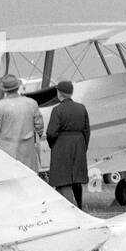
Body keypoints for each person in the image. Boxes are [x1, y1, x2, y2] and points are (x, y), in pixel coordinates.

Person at [45, 79, 91, 208]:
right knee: (76, 180)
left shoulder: (57, 110)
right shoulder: (82, 108)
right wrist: (83, 146)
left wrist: (53, 145)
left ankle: (72, 209)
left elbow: (51, 133)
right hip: (79, 144)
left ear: (59, 93)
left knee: (63, 180)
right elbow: (87, 130)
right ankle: (80, 206)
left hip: (62, 145)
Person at [0, 73, 44, 171]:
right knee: (28, 177)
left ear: (4, 89)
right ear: (17, 87)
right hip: (27, 149)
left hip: (6, 149)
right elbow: (39, 126)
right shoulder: (31, 103)